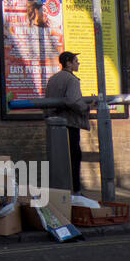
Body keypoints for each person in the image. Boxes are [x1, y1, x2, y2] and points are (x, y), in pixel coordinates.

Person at [44, 51, 91, 193]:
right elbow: (73, 100)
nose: (78, 63)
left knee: (58, 159)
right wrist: (87, 108)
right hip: (70, 124)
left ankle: (59, 191)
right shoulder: (71, 80)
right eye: (76, 61)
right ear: (69, 63)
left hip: (54, 126)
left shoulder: (53, 79)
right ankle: (75, 190)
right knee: (74, 157)